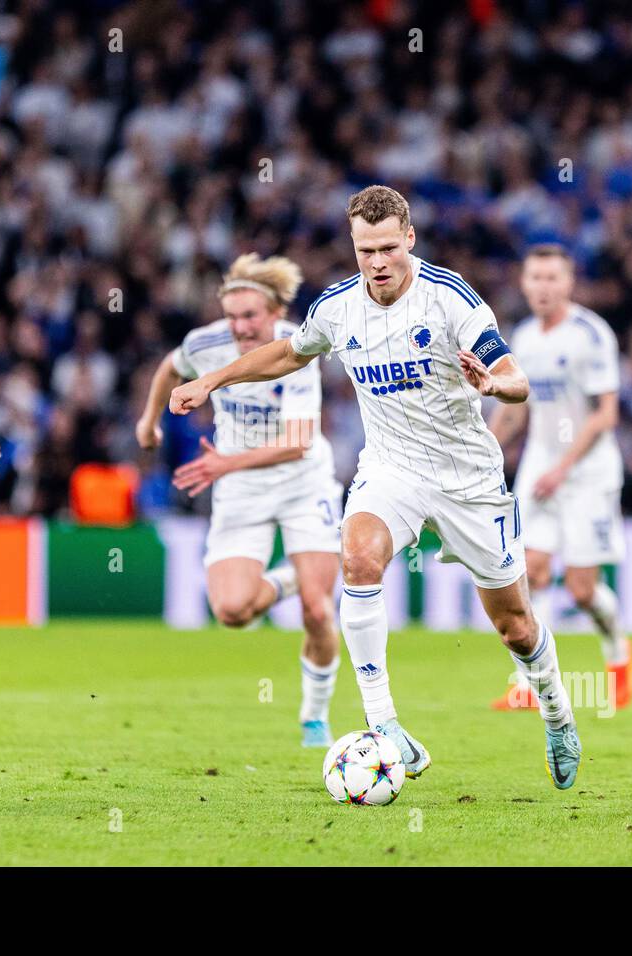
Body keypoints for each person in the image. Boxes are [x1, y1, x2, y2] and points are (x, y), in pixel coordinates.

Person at [170, 186, 582, 789]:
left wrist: (492, 386)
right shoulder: (337, 307)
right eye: (366, 250)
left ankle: (557, 714)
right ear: (354, 247)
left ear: (409, 239)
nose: (378, 261)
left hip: (468, 478)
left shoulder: (450, 299)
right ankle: (384, 725)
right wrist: (212, 381)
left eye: (389, 247)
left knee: (515, 625)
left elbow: (515, 376)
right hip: (392, 470)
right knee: (358, 557)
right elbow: (288, 353)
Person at [136, 254, 343, 747]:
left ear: (275, 312)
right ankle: (289, 576)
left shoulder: (297, 346)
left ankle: (314, 716)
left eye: (251, 316)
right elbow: (171, 366)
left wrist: (225, 464)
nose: (241, 327)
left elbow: (297, 442)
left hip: (301, 480)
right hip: (242, 488)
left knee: (317, 609)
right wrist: (149, 421)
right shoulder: (207, 343)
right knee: (231, 611)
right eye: (232, 317)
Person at [488, 245, 632, 712]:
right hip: (540, 464)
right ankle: (530, 684)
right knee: (530, 572)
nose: (543, 287)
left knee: (582, 589)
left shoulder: (591, 335)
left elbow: (606, 415)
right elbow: (516, 412)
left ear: (569, 283)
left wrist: (563, 469)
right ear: (524, 283)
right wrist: (485, 451)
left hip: (587, 470)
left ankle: (618, 654)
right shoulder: (525, 337)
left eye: (553, 278)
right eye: (535, 278)